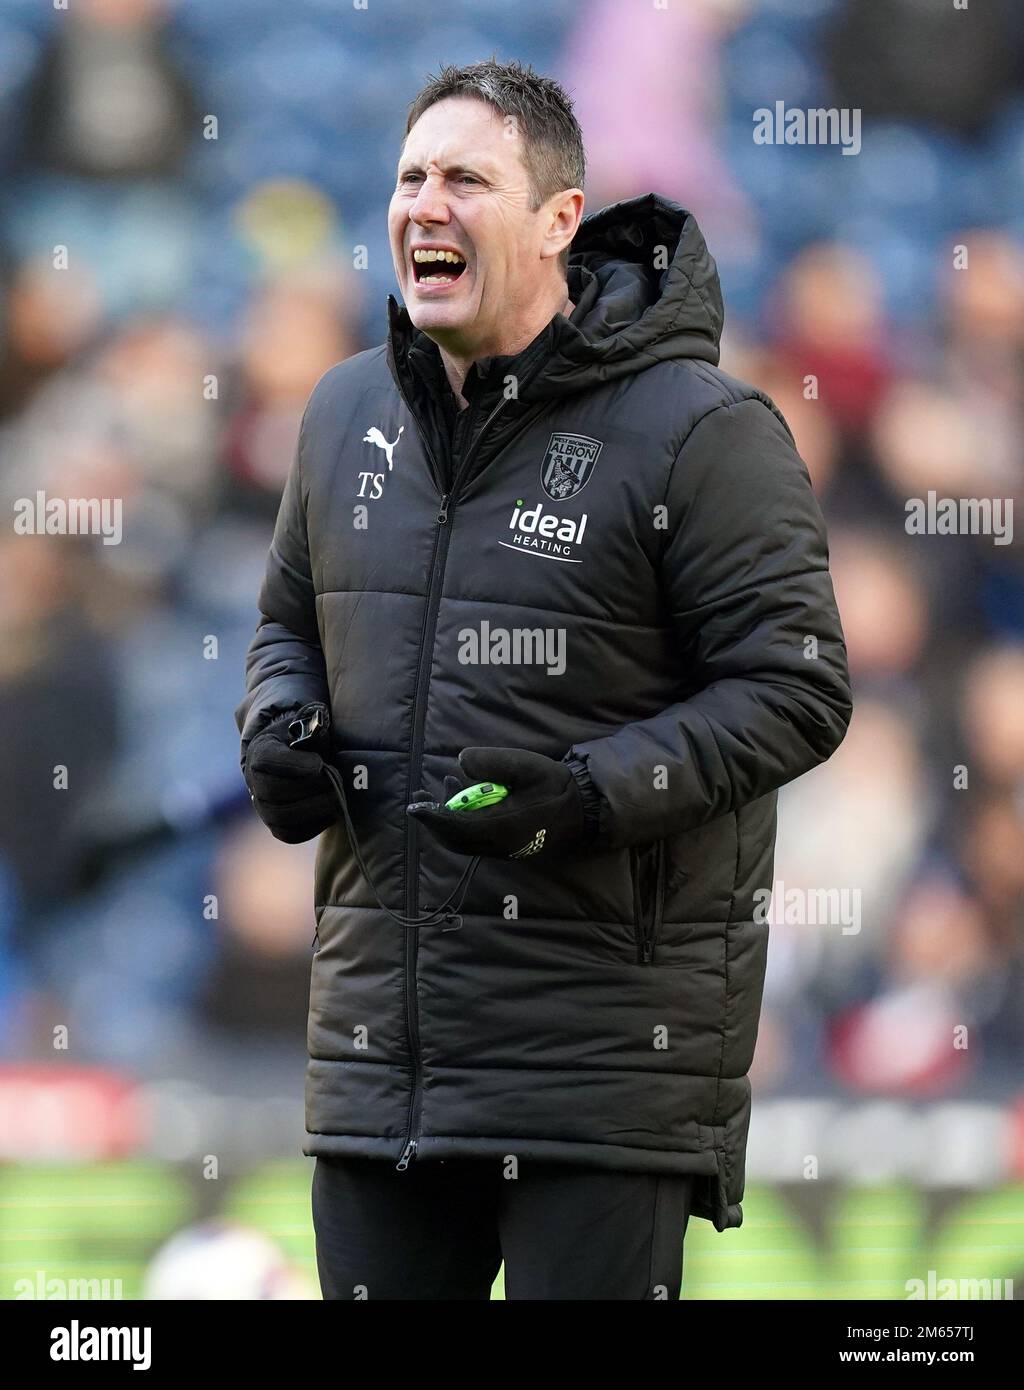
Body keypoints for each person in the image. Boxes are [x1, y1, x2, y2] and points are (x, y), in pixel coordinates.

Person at [235, 59, 852, 1300]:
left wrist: (584, 793)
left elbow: (795, 687)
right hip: (377, 1063)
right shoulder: (343, 409)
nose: (423, 204)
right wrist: (277, 725)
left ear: (559, 221)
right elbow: (283, 628)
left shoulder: (702, 430)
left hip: (599, 1072)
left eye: (465, 178)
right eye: (408, 177)